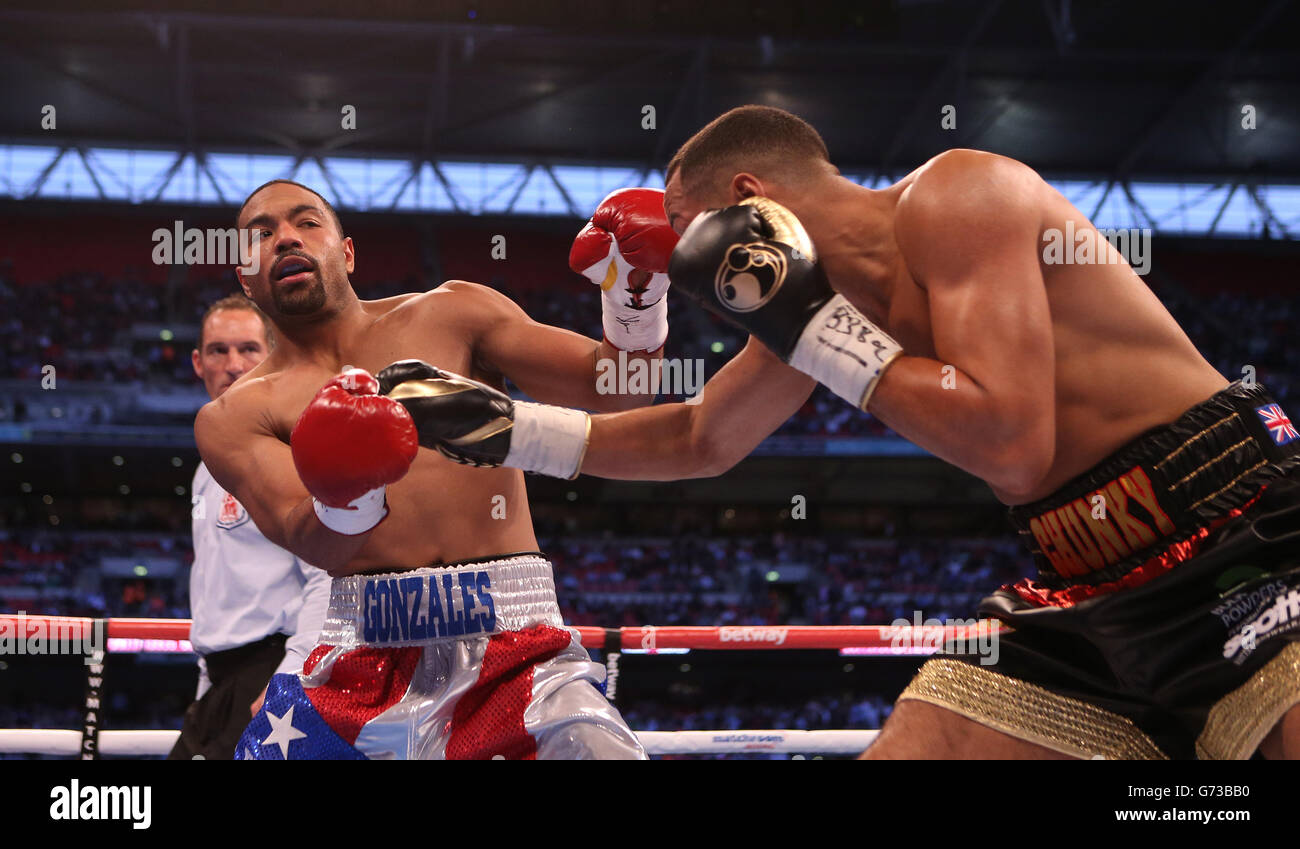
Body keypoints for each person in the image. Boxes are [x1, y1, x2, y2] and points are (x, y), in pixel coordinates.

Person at [396, 105, 1300, 760]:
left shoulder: (958, 195)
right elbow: (703, 438)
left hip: (1239, 520)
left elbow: (1011, 441)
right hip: (1079, 578)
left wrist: (813, 321)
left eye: (685, 234)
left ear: (746, 201)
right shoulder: (818, 312)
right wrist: (512, 430)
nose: (694, 275)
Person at [197, 179, 676, 759]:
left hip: (516, 647)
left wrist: (636, 294)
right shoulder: (234, 415)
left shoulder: (454, 312)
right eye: (262, 234)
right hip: (357, 664)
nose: (286, 239)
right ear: (244, 276)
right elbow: (310, 539)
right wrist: (352, 492)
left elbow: (618, 387)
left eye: (307, 222)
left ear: (346, 253)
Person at [169, 295, 331, 761]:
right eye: (219, 351)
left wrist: (290, 676)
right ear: (199, 363)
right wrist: (205, 684)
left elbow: (326, 578)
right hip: (221, 680)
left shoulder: (292, 451)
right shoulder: (207, 467)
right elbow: (215, 589)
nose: (234, 364)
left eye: (248, 349)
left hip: (269, 670)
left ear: (273, 356)